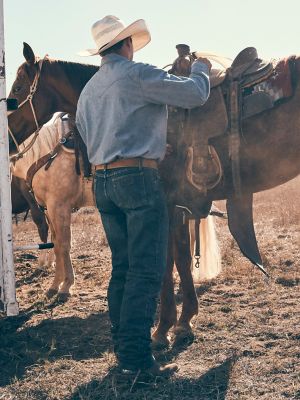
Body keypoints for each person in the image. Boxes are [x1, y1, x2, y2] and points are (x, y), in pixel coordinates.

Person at [76, 15, 212, 377]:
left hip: (103, 183)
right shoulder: (136, 75)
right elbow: (195, 94)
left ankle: (123, 346)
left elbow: (93, 138)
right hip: (137, 180)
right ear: (127, 44)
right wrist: (201, 68)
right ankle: (136, 358)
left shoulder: (89, 90)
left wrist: (147, 145)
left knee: (122, 267)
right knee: (147, 269)